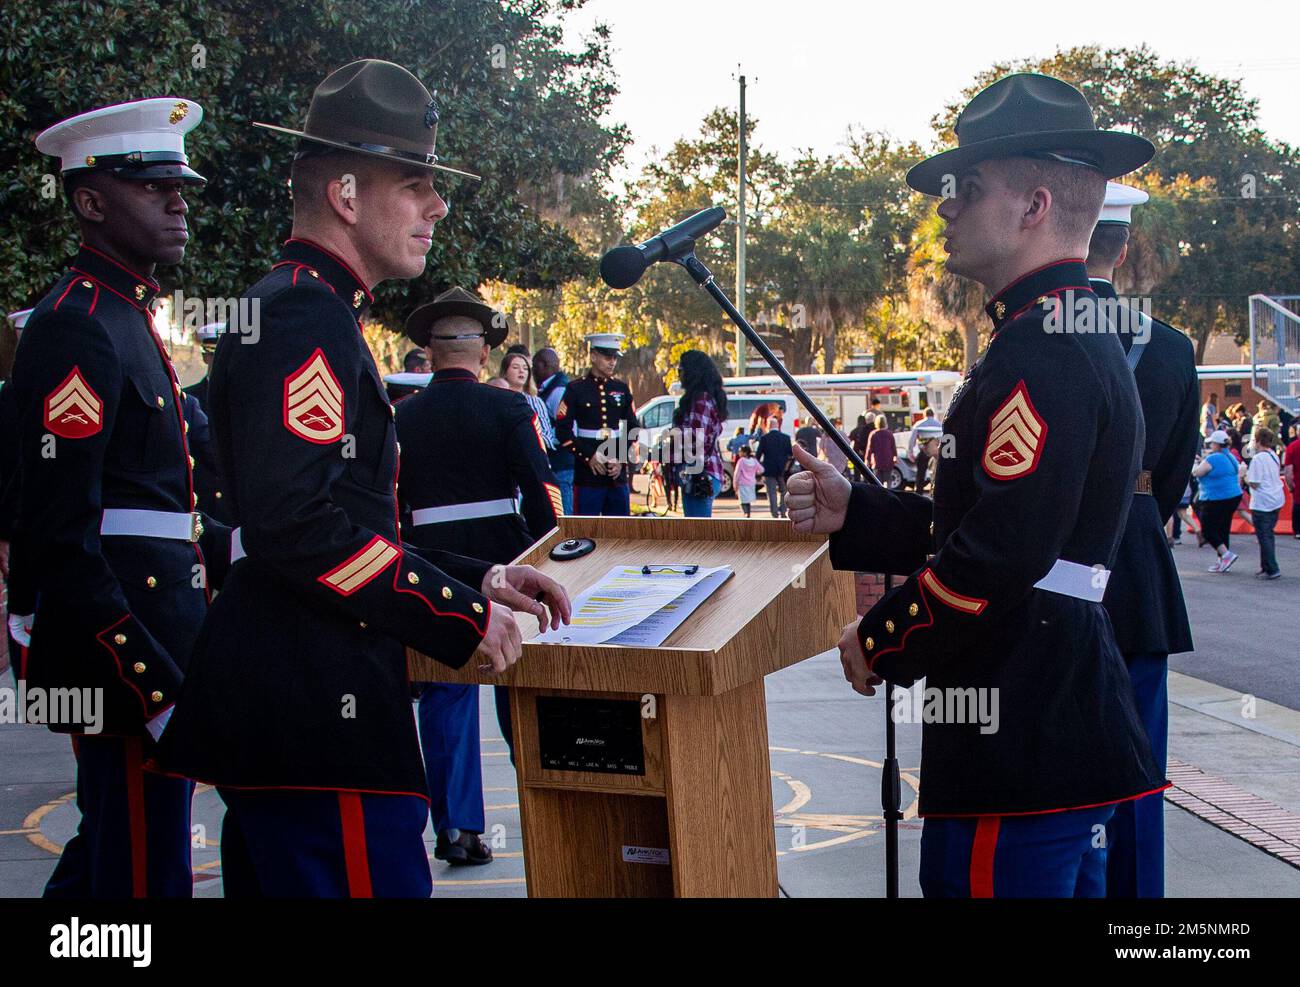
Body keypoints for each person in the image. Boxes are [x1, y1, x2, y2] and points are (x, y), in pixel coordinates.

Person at [154, 59, 568, 898]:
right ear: (346, 193)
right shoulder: (304, 312)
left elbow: (343, 518)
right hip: (320, 721)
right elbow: (296, 526)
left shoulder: (307, 305)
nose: (437, 206)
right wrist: (459, 616)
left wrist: (477, 574)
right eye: (417, 183)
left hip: (307, 716)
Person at [787, 73, 1162, 898]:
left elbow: (1002, 552)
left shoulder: (1045, 345)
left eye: (966, 189)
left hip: (1019, 721)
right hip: (1048, 714)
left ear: (1032, 206)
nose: (944, 208)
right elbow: (1008, 518)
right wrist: (864, 512)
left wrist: (881, 638)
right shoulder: (1055, 329)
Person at [12, 97, 232, 897]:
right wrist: (154, 687)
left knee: (111, 860)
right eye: (151, 187)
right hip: (124, 659)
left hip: (162, 633)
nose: (178, 203)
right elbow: (60, 534)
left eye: (180, 186)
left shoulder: (127, 317)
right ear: (91, 202)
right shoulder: (76, 324)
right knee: (141, 878)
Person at [397, 287, 563, 866]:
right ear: (484, 354)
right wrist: (553, 556)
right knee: (521, 688)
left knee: (447, 694)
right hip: (506, 565)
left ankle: (458, 829)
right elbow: (543, 494)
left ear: (431, 351)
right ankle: (547, 816)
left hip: (430, 563)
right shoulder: (509, 408)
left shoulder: (401, 416)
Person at [1087, 181, 1200, 898]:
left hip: (1060, 562)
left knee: (1067, 777)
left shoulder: (1032, 333)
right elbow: (1177, 471)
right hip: (1141, 567)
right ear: (1123, 248)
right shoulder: (1173, 348)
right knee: (1141, 770)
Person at [555, 332, 639, 517]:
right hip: (588, 474)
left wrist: (621, 458)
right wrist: (588, 456)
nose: (612, 362)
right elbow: (562, 430)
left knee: (621, 531)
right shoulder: (576, 389)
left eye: (615, 357)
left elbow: (633, 427)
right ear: (593, 356)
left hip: (616, 473)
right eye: (608, 356)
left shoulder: (621, 389)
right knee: (586, 531)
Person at [674, 349, 726, 518]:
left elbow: (696, 442)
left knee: (697, 536)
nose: (678, 375)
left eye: (680, 370)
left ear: (691, 372)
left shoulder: (701, 400)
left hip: (699, 474)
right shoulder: (705, 398)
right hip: (703, 472)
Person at [1192, 430, 1242, 572]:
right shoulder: (1230, 456)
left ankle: (1226, 555)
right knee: (1222, 528)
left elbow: (1197, 473)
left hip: (1215, 497)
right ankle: (1222, 560)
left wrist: (1197, 465)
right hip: (1232, 495)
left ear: (1216, 444)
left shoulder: (1213, 458)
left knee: (1207, 529)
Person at [532, 347, 573, 515]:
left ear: (545, 365)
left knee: (563, 513)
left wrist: (542, 438)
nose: (533, 371)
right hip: (558, 462)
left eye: (534, 366)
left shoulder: (558, 391)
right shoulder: (550, 388)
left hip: (561, 462)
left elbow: (569, 428)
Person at [1245, 427, 1283, 579]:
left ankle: (1272, 568)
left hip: (1262, 501)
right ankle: (1266, 565)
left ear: (1258, 441)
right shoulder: (1273, 455)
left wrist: (1244, 477)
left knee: (1264, 536)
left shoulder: (1258, 459)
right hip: (1275, 498)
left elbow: (1254, 483)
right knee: (1268, 534)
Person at [756, 415, 792, 518]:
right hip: (782, 469)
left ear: (768, 426)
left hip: (768, 469)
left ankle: (774, 513)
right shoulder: (786, 438)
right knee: (784, 491)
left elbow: (758, 455)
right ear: (778, 425)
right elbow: (790, 453)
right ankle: (784, 511)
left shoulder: (764, 438)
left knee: (771, 492)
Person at [865, 414, 896, 486]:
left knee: (877, 483)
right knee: (888, 482)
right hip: (888, 461)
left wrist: (867, 460)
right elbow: (893, 447)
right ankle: (888, 496)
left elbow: (869, 449)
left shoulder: (873, 434)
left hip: (877, 462)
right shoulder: (889, 434)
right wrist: (895, 456)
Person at [734, 445, 763, 517]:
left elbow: (736, 473)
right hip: (751, 483)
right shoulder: (754, 460)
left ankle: (745, 514)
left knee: (742, 501)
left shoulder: (741, 461)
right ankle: (748, 514)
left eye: (740, 451)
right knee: (748, 500)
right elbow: (761, 469)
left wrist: (735, 484)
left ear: (745, 453)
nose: (739, 453)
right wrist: (755, 472)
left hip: (742, 483)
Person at [1285, 426, 1300, 539]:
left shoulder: (1292, 447)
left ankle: (1298, 531)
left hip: (1298, 484)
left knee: (1298, 505)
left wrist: (1290, 486)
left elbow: (1288, 472)